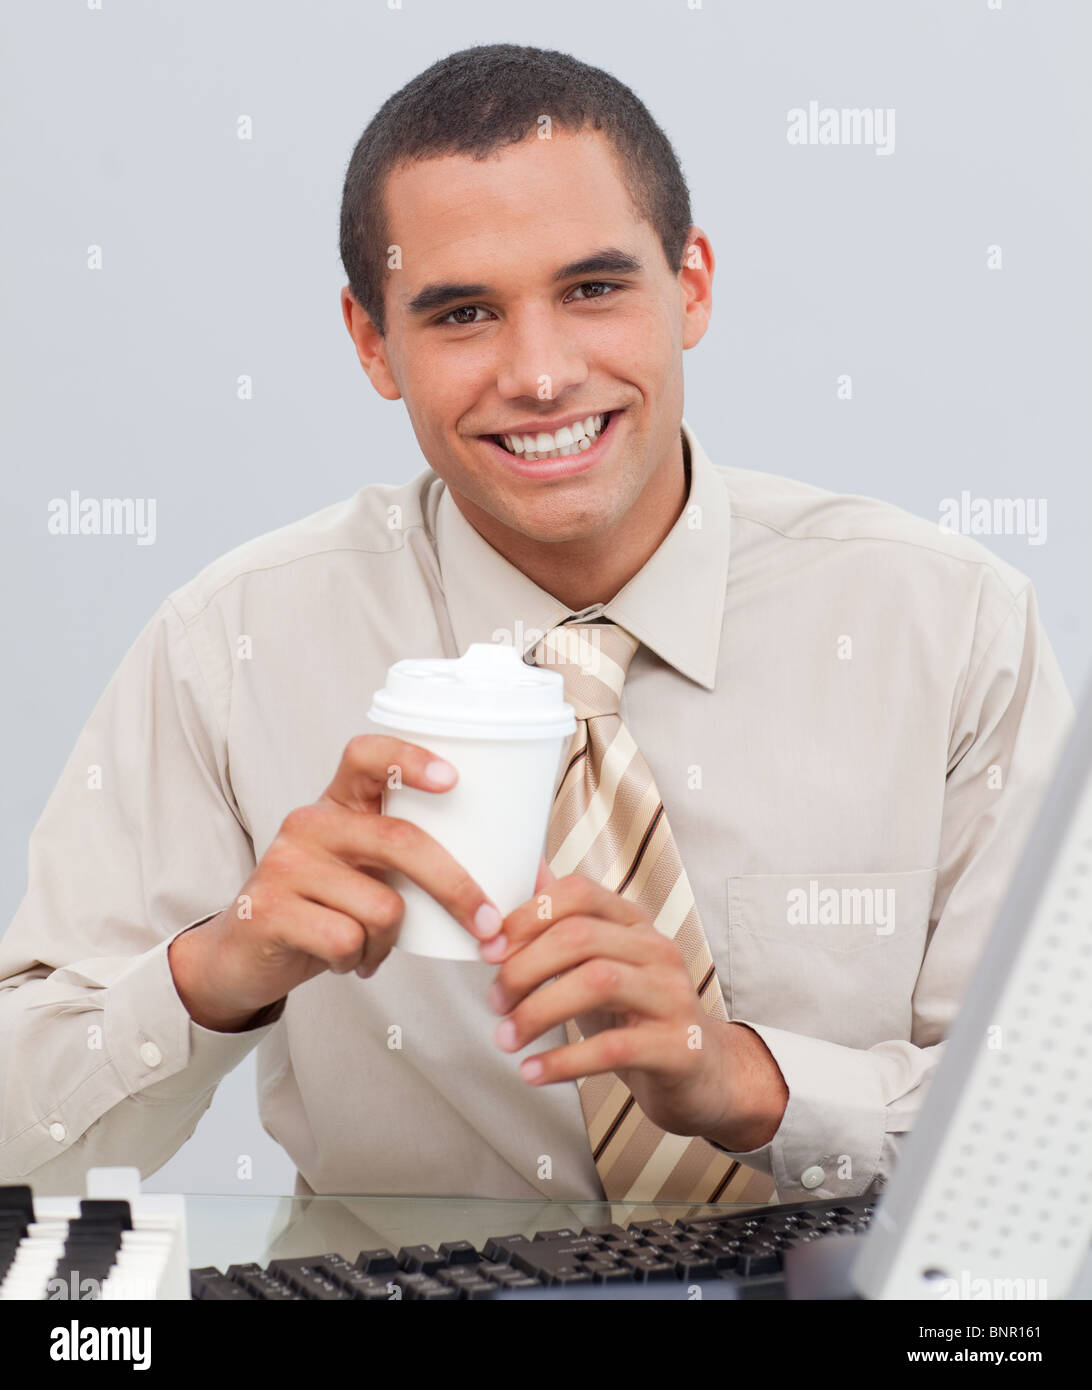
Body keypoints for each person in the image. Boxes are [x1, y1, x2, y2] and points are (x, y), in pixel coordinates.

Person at [0, 45, 1072, 1204]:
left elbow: (1054, 1125)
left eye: (594, 289)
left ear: (693, 285)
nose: (543, 373)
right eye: (463, 313)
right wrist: (212, 970)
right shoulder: (230, 647)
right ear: (373, 344)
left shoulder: (947, 622)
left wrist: (748, 1082)